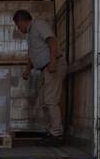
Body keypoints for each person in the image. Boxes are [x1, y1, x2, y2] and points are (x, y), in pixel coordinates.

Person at [13, 8, 64, 144]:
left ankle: (57, 134)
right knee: (43, 102)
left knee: (50, 100)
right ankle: (51, 131)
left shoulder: (39, 25)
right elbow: (33, 55)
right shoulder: (30, 34)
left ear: (22, 21)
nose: (19, 29)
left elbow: (52, 41)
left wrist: (53, 62)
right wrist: (27, 70)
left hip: (52, 66)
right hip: (44, 69)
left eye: (18, 26)